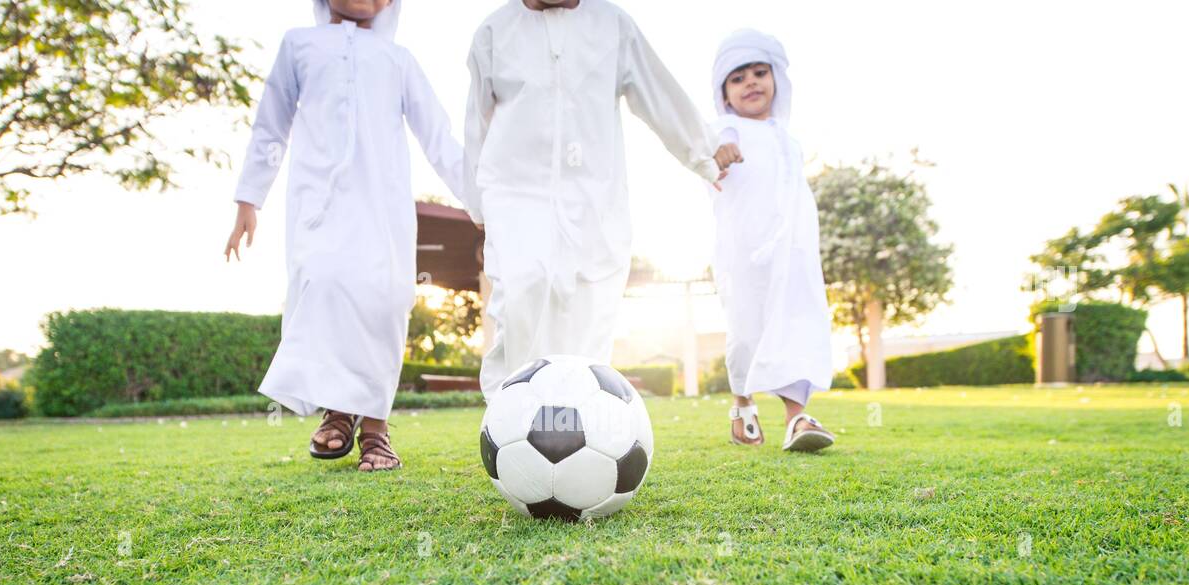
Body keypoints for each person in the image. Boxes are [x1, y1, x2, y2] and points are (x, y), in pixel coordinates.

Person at [224, 0, 464, 471]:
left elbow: (438, 135)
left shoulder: (398, 59)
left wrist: (479, 202)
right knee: (324, 287)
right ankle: (338, 409)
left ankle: (375, 429)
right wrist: (249, 199)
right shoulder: (299, 45)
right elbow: (271, 125)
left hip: (383, 208)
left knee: (382, 302)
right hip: (319, 207)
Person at [464, 0, 742, 399]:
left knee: (589, 303)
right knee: (523, 291)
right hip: (514, 191)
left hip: (595, 193)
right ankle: (511, 408)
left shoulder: (613, 25)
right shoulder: (494, 31)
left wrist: (705, 149)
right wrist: (476, 198)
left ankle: (577, 412)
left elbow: (658, 91)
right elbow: (476, 120)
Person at [710, 29, 835, 452]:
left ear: (776, 79)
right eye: (738, 78)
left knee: (795, 323)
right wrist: (721, 150)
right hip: (744, 251)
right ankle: (743, 404)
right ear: (725, 93)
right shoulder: (726, 128)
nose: (751, 83)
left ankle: (796, 417)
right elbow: (716, 146)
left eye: (759, 73)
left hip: (792, 252)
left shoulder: (788, 138)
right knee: (746, 331)